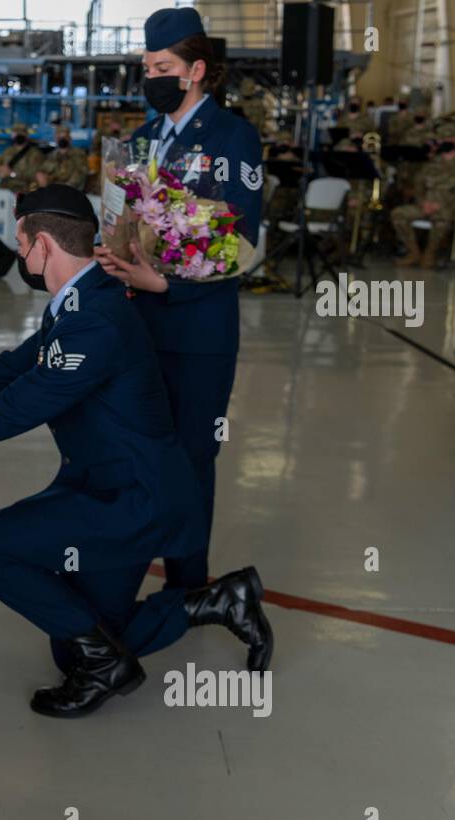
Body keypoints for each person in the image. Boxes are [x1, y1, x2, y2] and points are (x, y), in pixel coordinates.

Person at [0, 186, 271, 716]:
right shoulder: (82, 299)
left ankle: (110, 662)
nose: (19, 254)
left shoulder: (93, 320)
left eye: (20, 242)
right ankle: (215, 601)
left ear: (43, 244)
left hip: (131, 499)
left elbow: (9, 410)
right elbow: (7, 370)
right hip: (104, 485)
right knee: (78, 641)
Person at [97, 8, 270, 669]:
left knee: (193, 454)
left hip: (195, 325)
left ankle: (190, 584)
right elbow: (125, 220)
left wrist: (172, 285)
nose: (153, 80)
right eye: (147, 70)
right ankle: (132, 560)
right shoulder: (139, 139)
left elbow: (239, 241)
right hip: (136, 322)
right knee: (138, 446)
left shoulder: (232, 137)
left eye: (164, 70)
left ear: (197, 71)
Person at [390, 138, 455, 267]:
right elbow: (419, 186)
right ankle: (413, 252)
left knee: (443, 220)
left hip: (447, 208)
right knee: (398, 214)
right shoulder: (432, 162)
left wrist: (441, 205)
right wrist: (423, 203)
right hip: (425, 205)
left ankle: (430, 254)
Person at [0, 122, 44, 188]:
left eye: (21, 133)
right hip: (5, 187)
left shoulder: (35, 154)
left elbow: (35, 175)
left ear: (26, 135)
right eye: (16, 133)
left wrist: (12, 174)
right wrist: (0, 170)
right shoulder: (7, 151)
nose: (18, 135)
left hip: (25, 189)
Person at [36, 125, 90, 190]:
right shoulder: (51, 156)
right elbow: (43, 173)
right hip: (53, 191)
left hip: (71, 192)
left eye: (64, 137)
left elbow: (80, 175)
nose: (62, 140)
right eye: (59, 137)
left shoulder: (79, 154)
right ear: (55, 139)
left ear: (69, 138)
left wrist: (63, 190)